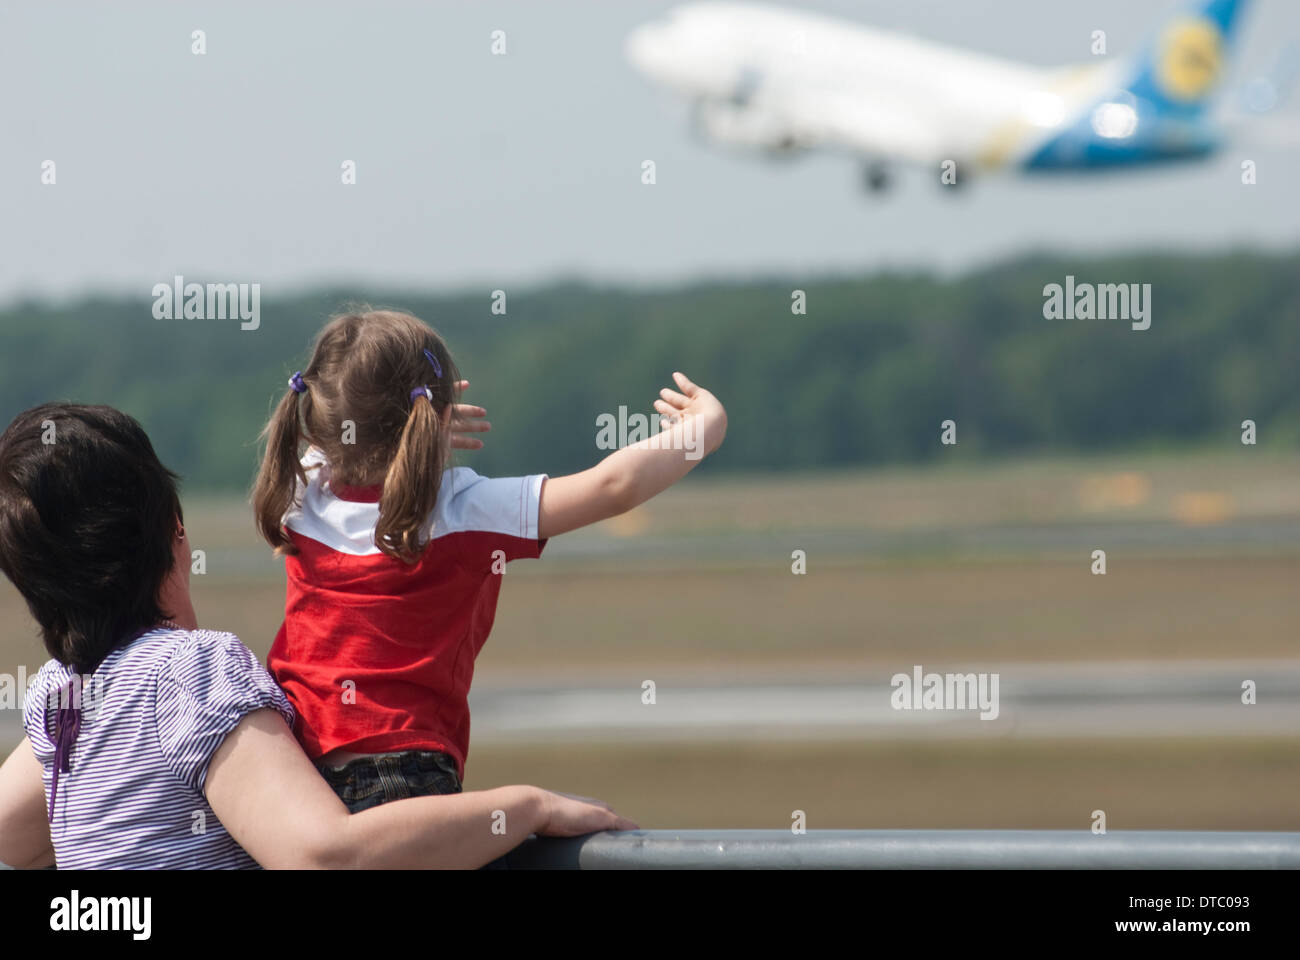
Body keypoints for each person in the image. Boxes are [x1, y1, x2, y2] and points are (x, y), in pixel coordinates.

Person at [0, 403, 634, 869]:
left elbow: (11, 838)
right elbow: (324, 857)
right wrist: (526, 809)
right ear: (175, 526)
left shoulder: (62, 698)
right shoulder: (189, 673)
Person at [251, 308, 727, 811]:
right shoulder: (461, 508)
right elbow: (615, 485)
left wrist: (413, 431)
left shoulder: (299, 495)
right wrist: (707, 428)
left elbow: (343, 441)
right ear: (430, 416)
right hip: (404, 776)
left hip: (292, 773)